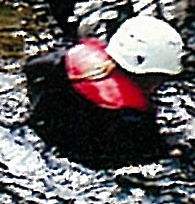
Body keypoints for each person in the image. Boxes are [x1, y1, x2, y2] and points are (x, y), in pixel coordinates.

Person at [23, 14, 182, 166]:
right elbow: (155, 155)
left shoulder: (62, 60)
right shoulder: (132, 120)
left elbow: (31, 68)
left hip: (31, 137)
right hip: (70, 166)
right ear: (154, 77)